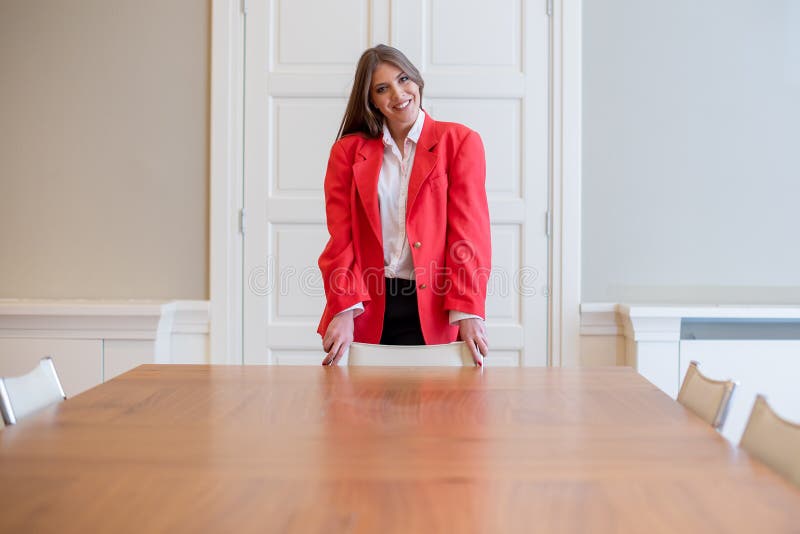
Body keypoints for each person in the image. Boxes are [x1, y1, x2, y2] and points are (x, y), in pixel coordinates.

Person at [317, 44, 491, 366]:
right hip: (366, 308)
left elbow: (468, 234)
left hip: (436, 310)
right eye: (383, 88)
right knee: (360, 412)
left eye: (403, 79)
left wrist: (468, 310)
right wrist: (343, 308)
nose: (398, 94)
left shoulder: (460, 142)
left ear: (417, 81)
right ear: (372, 101)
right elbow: (341, 239)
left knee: (438, 413)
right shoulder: (347, 153)